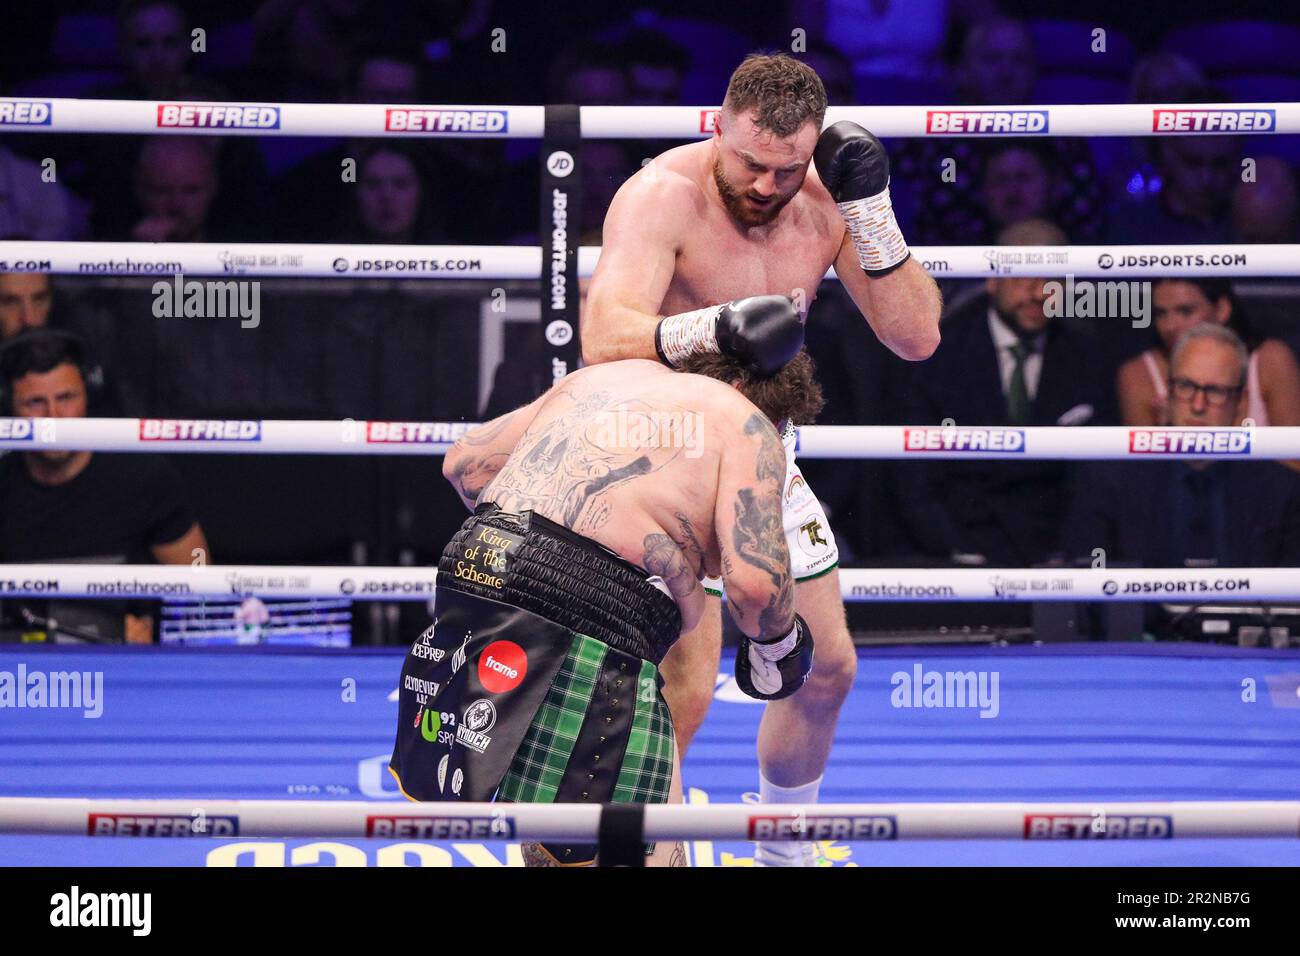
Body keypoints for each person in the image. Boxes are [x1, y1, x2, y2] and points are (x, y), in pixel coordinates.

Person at [581, 53, 942, 865]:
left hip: (759, 453)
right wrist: (713, 330)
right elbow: (602, 338)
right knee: (680, 691)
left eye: (788, 167)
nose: (767, 184)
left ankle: (782, 853)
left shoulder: (824, 204)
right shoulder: (661, 197)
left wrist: (874, 216)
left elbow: (917, 338)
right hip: (656, 451)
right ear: (718, 124)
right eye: (750, 162)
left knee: (827, 669)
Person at [391, 343, 825, 867]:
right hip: (590, 602)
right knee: (616, 853)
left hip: (476, 563)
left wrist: (529, 543)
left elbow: (464, 465)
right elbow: (755, 589)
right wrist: (780, 647)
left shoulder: (605, 378)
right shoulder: (747, 423)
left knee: (581, 828)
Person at [891, 218, 1114, 566]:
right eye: (1024, 276)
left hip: (1056, 553)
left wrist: (1072, 554)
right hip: (963, 548)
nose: (1039, 292)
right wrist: (955, 549)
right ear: (992, 280)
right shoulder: (941, 356)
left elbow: (1097, 478)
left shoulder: (1088, 357)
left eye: (1052, 280)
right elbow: (915, 477)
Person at [1065, 324, 1300, 637]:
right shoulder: (1108, 481)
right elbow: (1088, 585)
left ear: (1241, 402)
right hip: (1137, 663)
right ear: (1168, 389)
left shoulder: (1281, 489)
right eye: (1186, 386)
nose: (1198, 406)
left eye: (1214, 391)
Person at [0, 329, 208, 643]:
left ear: (89, 396)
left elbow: (198, 572)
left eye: (66, 398)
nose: (54, 417)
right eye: (34, 403)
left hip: (124, 665)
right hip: (20, 669)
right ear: (9, 409)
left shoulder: (142, 476)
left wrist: (156, 630)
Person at [1116, 278, 1300, 430]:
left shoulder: (1271, 360)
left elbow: (1295, 461)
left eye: (1185, 311)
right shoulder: (1138, 375)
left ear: (1221, 309)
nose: (1170, 325)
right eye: (1160, 313)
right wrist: (1169, 434)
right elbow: (1140, 471)